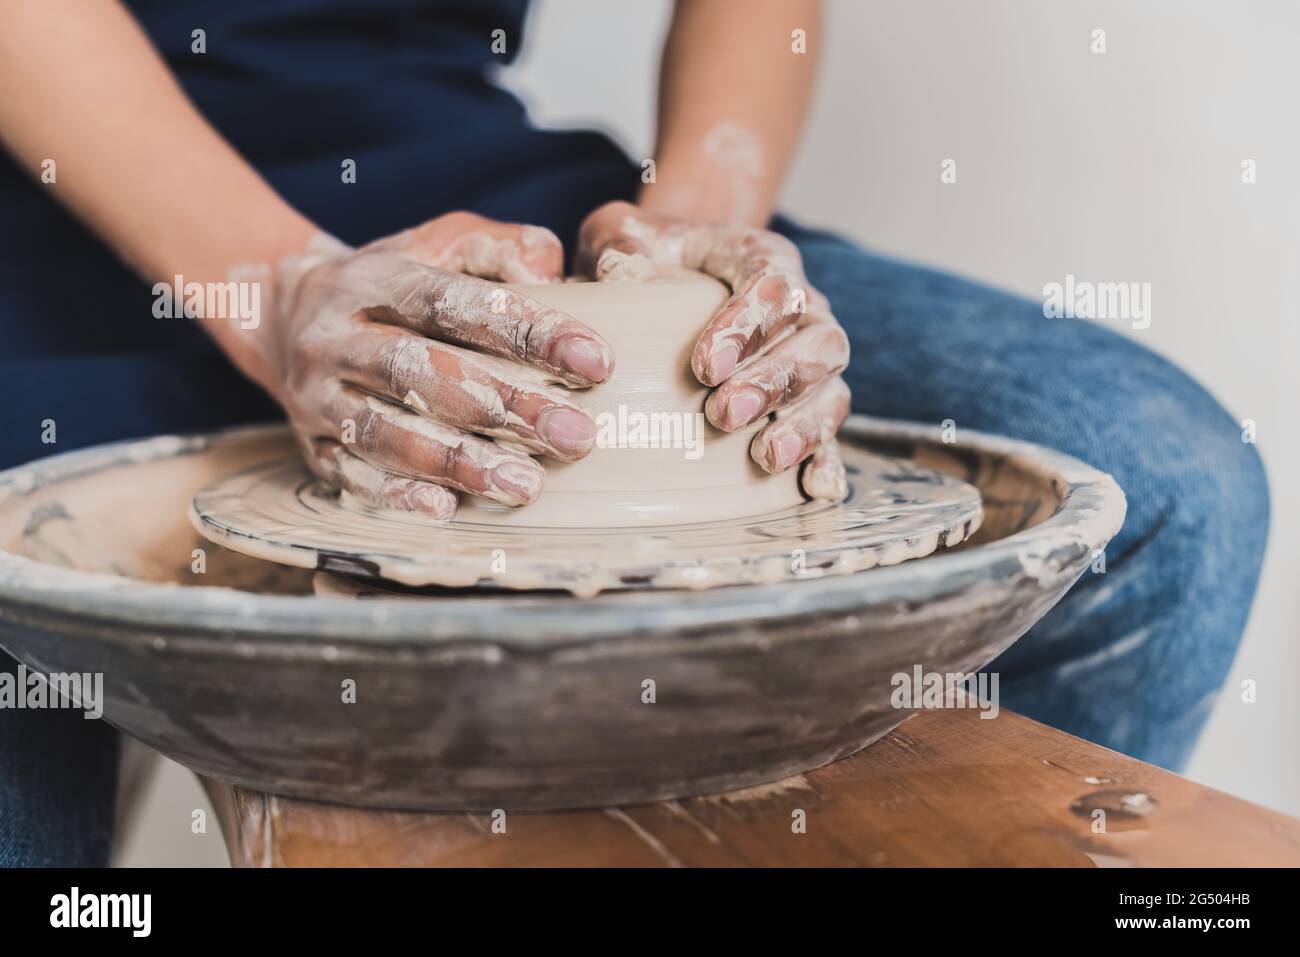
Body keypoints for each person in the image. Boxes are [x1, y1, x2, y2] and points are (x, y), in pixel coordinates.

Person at [0, 0, 1268, 867]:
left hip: (462, 181)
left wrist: (693, 253)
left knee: (1161, 481)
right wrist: (273, 292)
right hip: (62, 193)